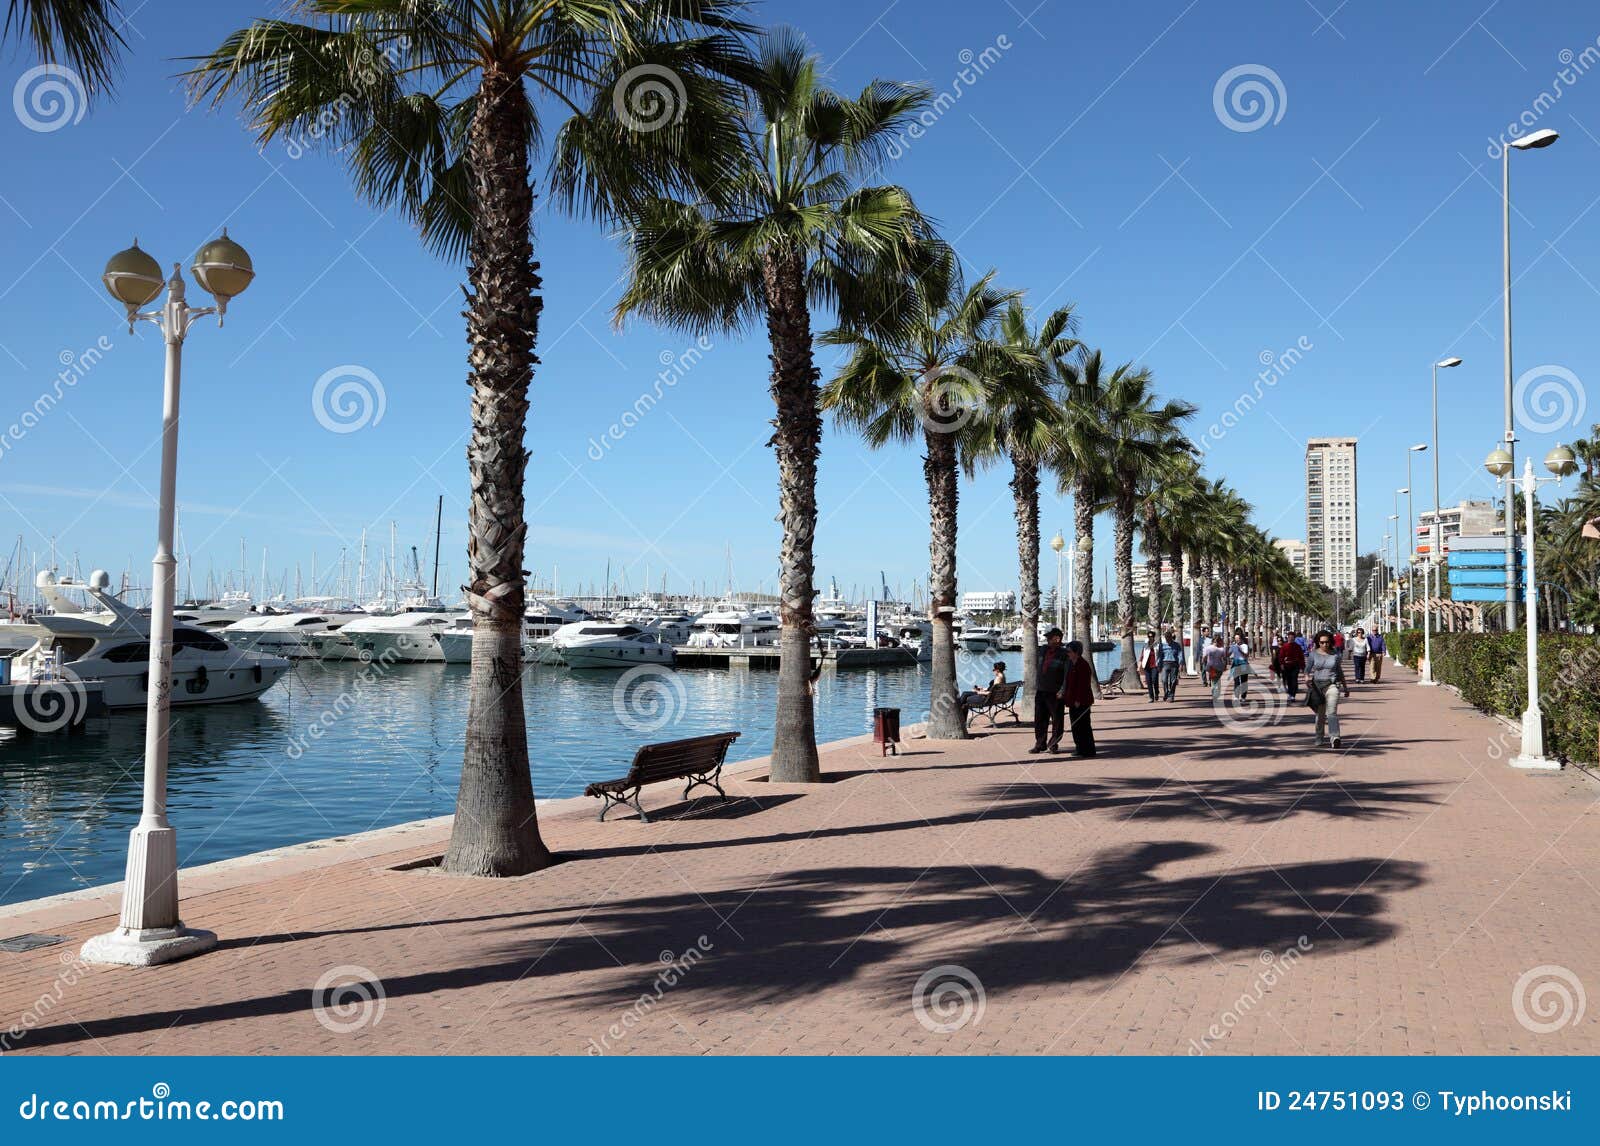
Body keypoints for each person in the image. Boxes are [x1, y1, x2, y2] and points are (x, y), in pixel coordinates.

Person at [1306, 629, 1349, 748]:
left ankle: (1335, 737)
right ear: (1318, 642)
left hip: (1332, 685)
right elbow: (1307, 669)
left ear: (1330, 642)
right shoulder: (1313, 654)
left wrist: (1345, 687)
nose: (1325, 644)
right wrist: (1306, 677)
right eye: (1322, 642)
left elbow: (1339, 671)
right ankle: (1319, 737)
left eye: (1327, 642)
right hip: (1317, 687)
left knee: (1332, 713)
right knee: (1320, 714)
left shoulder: (1335, 655)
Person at [1032, 629, 1067, 753]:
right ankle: (1040, 744)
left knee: (1057, 720)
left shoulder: (1064, 654)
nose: (1047, 640)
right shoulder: (1043, 650)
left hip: (1055, 692)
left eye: (1049, 638)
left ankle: (1053, 744)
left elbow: (1066, 675)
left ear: (1057, 639)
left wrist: (1062, 690)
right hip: (1041, 690)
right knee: (1039, 719)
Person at [1063, 639, 1098, 757]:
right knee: (1076, 726)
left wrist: (1078, 699)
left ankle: (1088, 750)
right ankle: (1080, 748)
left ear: (1076, 652)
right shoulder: (1071, 664)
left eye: (1069, 651)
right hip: (1072, 700)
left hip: (1082, 701)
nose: (1067, 653)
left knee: (1083, 726)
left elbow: (1083, 685)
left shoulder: (1083, 665)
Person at [1277, 630, 1305, 700]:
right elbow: (1281, 657)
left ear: (1294, 638)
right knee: (1289, 680)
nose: (1291, 638)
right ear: (1288, 638)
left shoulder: (1298, 647)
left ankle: (1293, 695)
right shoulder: (1284, 646)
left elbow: (1301, 657)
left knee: (1294, 679)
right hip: (1287, 666)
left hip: (1295, 665)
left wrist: (1302, 666)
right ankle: (1290, 693)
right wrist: (1282, 664)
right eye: (1290, 637)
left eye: (1292, 637)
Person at [1159, 628, 1183, 701]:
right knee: (1164, 680)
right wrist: (1158, 665)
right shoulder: (1162, 645)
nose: (1167, 639)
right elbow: (1159, 656)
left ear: (1171, 637)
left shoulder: (1176, 645)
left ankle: (1171, 695)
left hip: (1174, 664)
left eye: (1168, 638)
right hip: (1165, 663)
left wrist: (1181, 664)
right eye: (1166, 638)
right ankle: (1166, 692)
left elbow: (1180, 654)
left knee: (1173, 681)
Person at [1203, 634, 1228, 699]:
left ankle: (1216, 694)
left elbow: (1224, 658)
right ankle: (1215, 694)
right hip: (1212, 667)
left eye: (1217, 641)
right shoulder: (1209, 648)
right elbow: (1204, 657)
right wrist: (1204, 662)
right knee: (1214, 681)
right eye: (1215, 641)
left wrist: (1225, 666)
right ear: (1213, 641)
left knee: (1217, 681)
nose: (1216, 643)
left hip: (1218, 667)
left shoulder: (1221, 649)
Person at [1228, 629, 1251, 700]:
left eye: (1238, 639)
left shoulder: (1245, 646)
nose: (1237, 640)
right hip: (1236, 665)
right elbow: (1228, 654)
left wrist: (1240, 650)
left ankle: (1243, 696)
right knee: (1236, 681)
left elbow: (1246, 655)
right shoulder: (1233, 646)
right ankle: (1236, 696)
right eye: (1235, 639)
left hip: (1244, 665)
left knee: (1244, 681)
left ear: (1241, 639)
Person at [1140, 629, 1159, 703]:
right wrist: (1140, 665)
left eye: (1151, 637)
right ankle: (1151, 697)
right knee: (1149, 682)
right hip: (1147, 666)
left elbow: (1160, 655)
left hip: (1155, 665)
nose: (1150, 638)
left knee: (1154, 680)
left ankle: (1156, 692)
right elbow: (1142, 656)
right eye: (1149, 637)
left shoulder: (1157, 645)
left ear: (1154, 637)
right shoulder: (1145, 645)